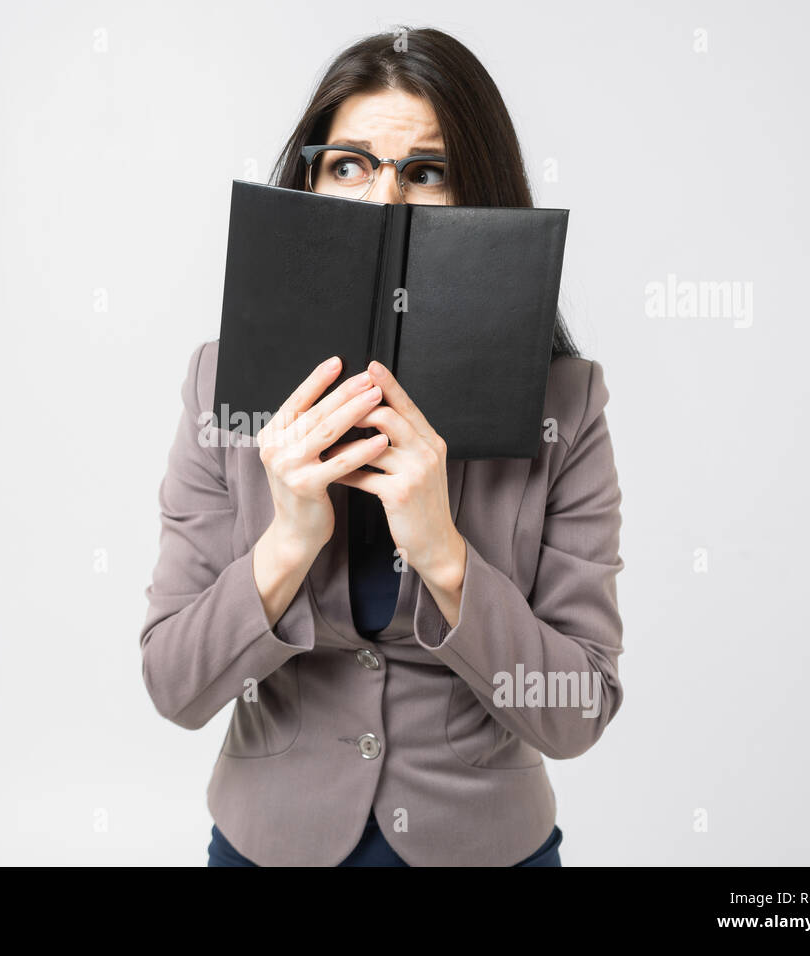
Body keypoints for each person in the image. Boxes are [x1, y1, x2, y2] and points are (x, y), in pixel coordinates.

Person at [139, 27, 624, 867]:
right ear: (311, 181)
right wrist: (287, 541)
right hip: (268, 843)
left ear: (481, 197)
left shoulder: (566, 405)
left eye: (427, 172)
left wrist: (445, 554)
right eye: (350, 164)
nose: (384, 202)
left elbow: (578, 712)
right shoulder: (222, 385)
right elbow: (175, 688)